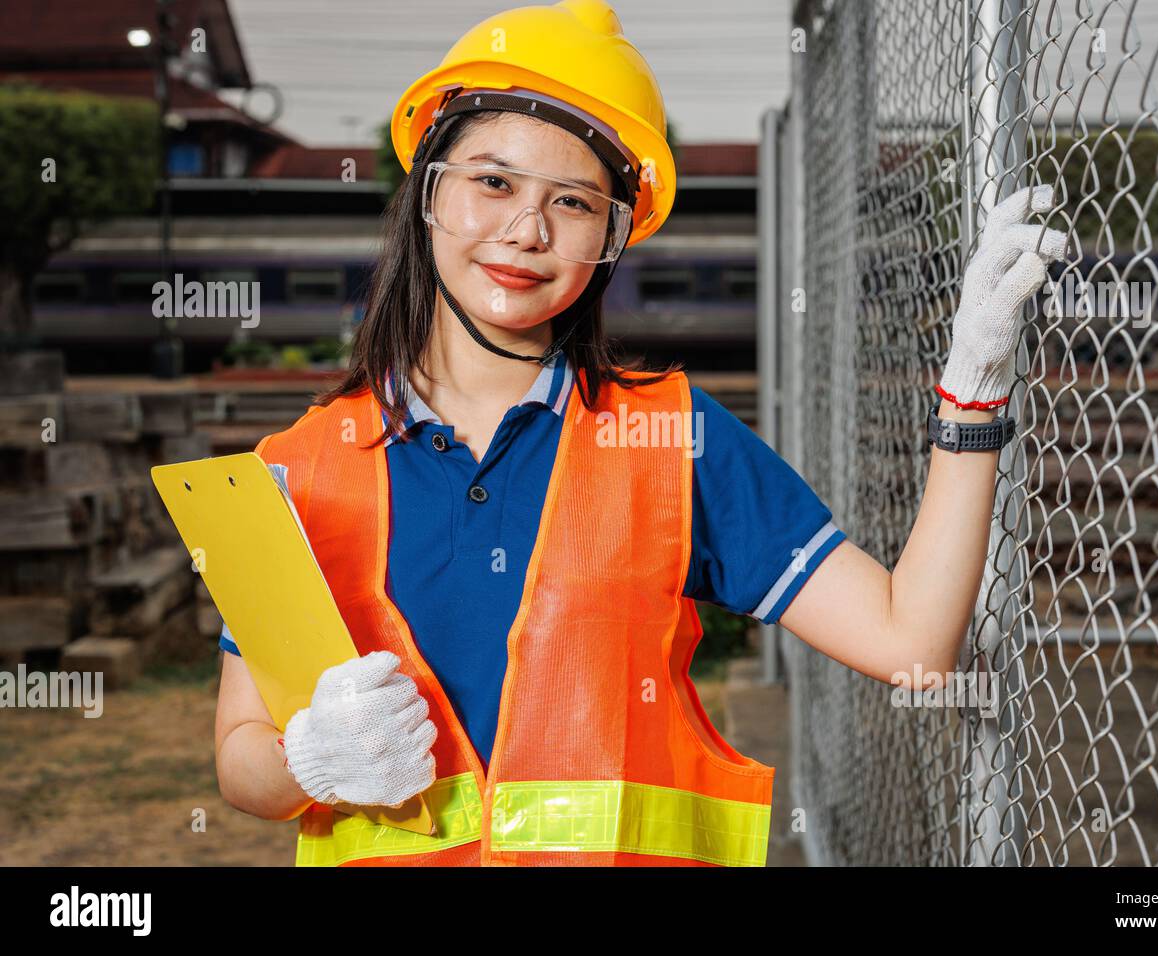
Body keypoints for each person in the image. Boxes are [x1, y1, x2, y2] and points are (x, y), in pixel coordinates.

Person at [213, 0, 1067, 867]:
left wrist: (972, 397)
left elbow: (909, 644)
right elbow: (241, 758)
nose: (526, 231)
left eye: (575, 202)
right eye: (493, 181)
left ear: (612, 239)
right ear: (428, 193)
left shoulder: (671, 437)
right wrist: (307, 763)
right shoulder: (292, 471)